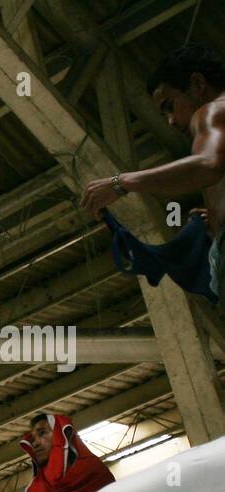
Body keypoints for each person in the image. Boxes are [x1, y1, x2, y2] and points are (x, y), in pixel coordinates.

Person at [80, 43, 225, 308]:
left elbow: (207, 164)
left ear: (197, 83)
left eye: (170, 106)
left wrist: (121, 183)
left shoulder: (212, 110)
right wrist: (215, 218)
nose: (170, 121)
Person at [19, 413, 115, 492]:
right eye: (33, 439)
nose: (35, 443)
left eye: (42, 433)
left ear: (59, 434)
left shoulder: (93, 471)